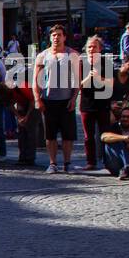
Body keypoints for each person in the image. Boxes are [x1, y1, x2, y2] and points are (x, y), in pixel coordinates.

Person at [33, 24, 81, 173]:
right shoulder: (42, 55)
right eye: (54, 35)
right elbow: (35, 79)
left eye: (59, 35)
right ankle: (52, 163)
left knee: (68, 134)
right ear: (50, 37)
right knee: (50, 134)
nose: (56, 37)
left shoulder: (72, 54)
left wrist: (74, 99)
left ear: (64, 37)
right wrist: (37, 99)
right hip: (48, 100)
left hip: (66, 100)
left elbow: (77, 79)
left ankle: (67, 162)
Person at [78, 35, 114, 171]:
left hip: (103, 104)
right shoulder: (81, 64)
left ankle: (108, 160)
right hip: (87, 105)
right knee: (88, 136)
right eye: (89, 47)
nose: (91, 49)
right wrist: (89, 77)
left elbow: (111, 84)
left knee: (105, 135)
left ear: (100, 49)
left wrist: (100, 78)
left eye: (94, 47)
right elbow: (78, 86)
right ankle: (90, 161)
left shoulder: (107, 63)